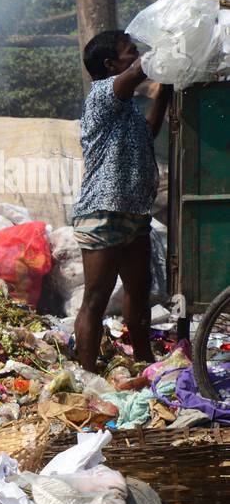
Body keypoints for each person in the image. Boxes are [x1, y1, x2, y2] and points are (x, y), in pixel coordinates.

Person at [73, 30, 172, 374]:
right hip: (103, 211)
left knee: (139, 291)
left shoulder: (128, 109)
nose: (137, 56)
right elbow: (137, 72)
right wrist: (171, 47)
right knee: (97, 297)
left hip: (133, 212)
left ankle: (145, 362)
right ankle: (86, 377)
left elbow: (150, 128)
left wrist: (167, 90)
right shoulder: (102, 94)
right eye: (131, 51)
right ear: (110, 64)